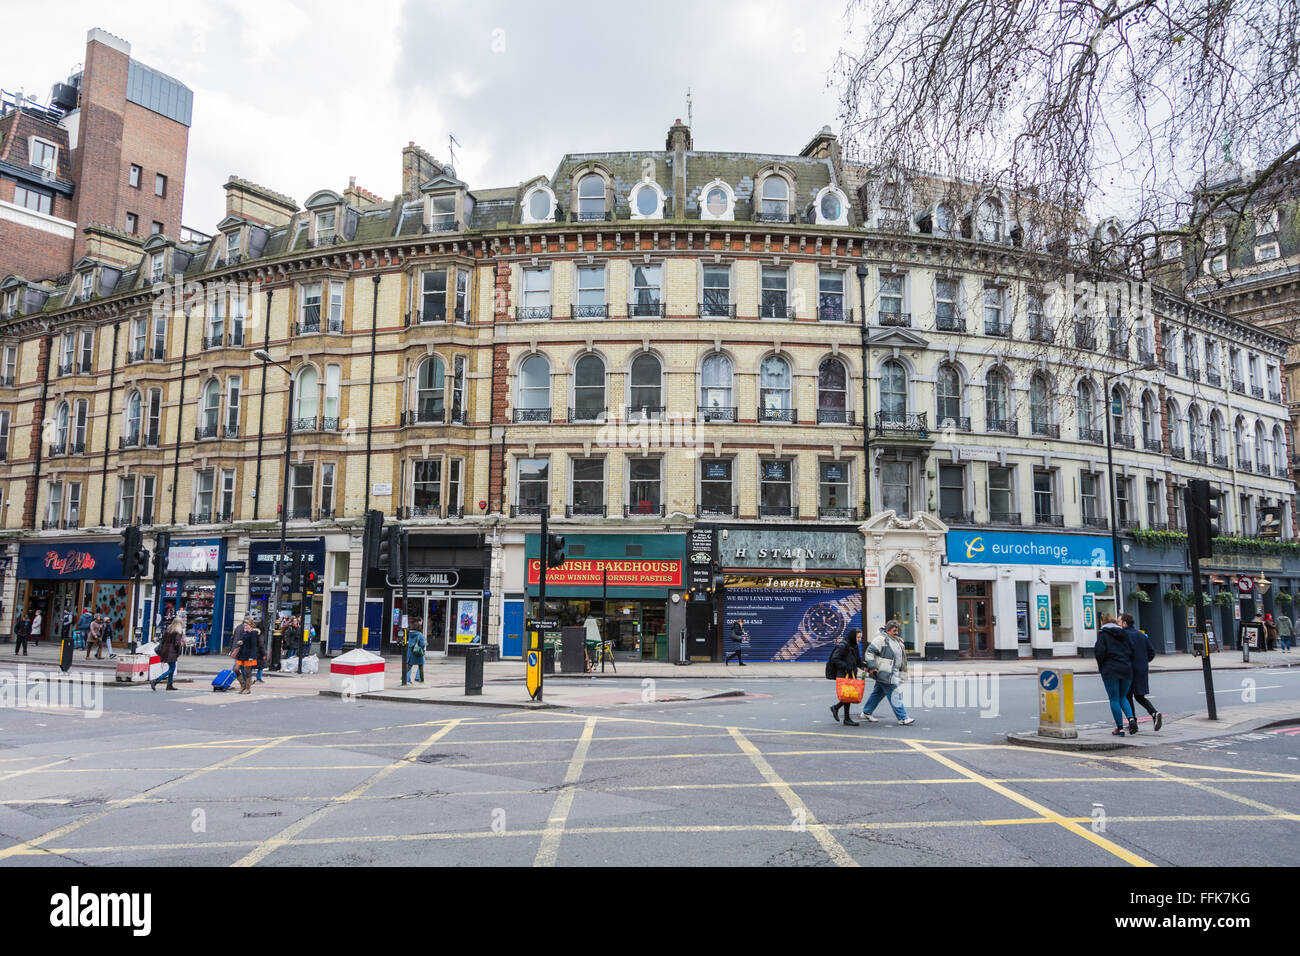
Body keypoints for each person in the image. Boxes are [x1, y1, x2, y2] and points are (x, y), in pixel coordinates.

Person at [861, 620, 915, 725]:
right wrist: (872, 667)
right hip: (885, 672)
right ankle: (903, 718)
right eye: (894, 630)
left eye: (897, 630)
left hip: (893, 672)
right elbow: (869, 652)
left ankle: (866, 712)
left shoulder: (895, 640)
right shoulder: (880, 640)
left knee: (878, 693)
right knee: (894, 694)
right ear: (887, 630)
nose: (896, 632)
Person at [1095, 612, 1137, 736]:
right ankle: (1131, 719)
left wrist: (1102, 667)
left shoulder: (1103, 635)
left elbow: (1100, 653)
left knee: (1114, 699)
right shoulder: (1124, 633)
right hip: (1126, 668)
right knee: (1123, 697)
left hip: (1110, 669)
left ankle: (1120, 728)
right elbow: (1132, 649)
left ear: (1103, 622)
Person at [1121, 612, 1161, 732]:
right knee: (1139, 696)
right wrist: (1143, 662)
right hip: (1142, 669)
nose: (1118, 624)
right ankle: (1154, 713)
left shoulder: (1123, 635)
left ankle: (1133, 723)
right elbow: (1152, 652)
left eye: (1119, 622)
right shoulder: (1141, 635)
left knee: (1127, 696)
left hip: (1129, 669)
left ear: (1124, 623)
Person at [828, 628, 863, 726]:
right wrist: (845, 666)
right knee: (848, 695)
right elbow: (835, 658)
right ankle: (844, 715)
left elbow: (858, 661)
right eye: (858, 637)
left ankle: (838, 710)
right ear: (853, 636)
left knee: (849, 695)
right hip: (844, 673)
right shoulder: (843, 646)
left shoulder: (855, 646)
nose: (860, 639)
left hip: (851, 673)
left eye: (861, 637)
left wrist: (866, 666)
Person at [230, 617, 264, 695]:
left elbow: (253, 646)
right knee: (235, 669)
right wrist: (241, 642)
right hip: (241, 654)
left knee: (247, 672)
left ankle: (247, 688)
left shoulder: (253, 634)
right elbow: (244, 642)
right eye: (244, 625)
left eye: (246, 626)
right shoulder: (245, 633)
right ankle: (243, 685)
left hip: (249, 655)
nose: (245, 627)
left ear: (251, 626)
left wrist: (251, 656)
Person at [151, 619, 184, 691]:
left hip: (165, 650)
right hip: (172, 652)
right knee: (172, 669)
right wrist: (178, 652)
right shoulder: (178, 632)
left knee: (172, 667)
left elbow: (162, 640)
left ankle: (169, 685)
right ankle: (156, 680)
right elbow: (177, 644)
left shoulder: (168, 630)